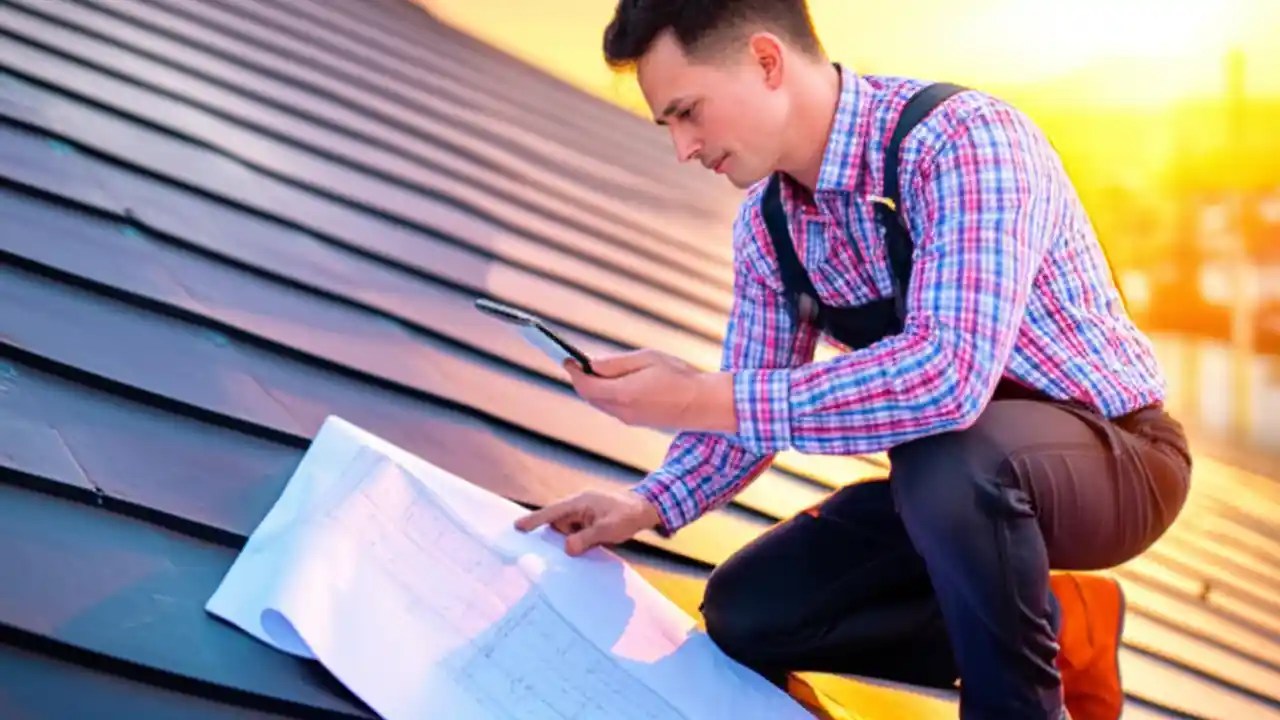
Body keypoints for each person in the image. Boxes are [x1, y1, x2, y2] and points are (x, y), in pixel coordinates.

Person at [513, 2, 1193, 718]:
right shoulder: (770, 228)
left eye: (689, 113)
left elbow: (947, 378)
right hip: (957, 488)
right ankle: (1058, 619)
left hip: (1117, 460)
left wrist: (698, 396)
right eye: (669, 125)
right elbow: (753, 406)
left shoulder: (963, 142)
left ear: (766, 63)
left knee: (947, 460)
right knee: (750, 610)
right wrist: (646, 501)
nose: (684, 147)